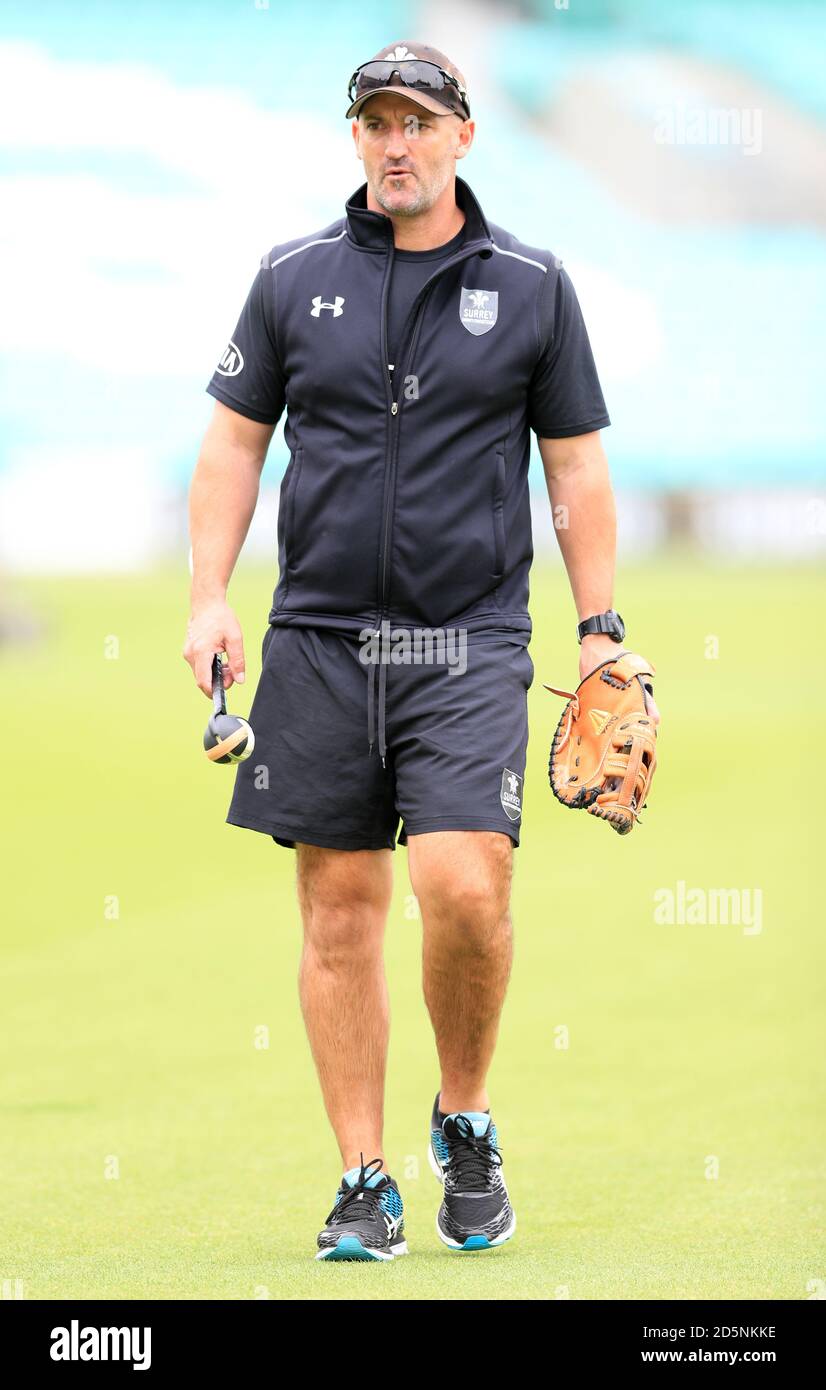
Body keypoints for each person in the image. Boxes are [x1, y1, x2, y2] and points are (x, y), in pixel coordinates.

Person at [183, 40, 658, 1262]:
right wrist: (208, 596)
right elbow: (236, 443)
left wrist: (599, 622)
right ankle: (361, 1178)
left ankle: (463, 1117)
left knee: (462, 885)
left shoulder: (535, 284)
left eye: (417, 121)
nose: (395, 140)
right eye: (375, 121)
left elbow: (575, 464)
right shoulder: (291, 278)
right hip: (321, 640)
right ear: (355, 139)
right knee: (340, 905)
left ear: (460, 136)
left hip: (468, 638)